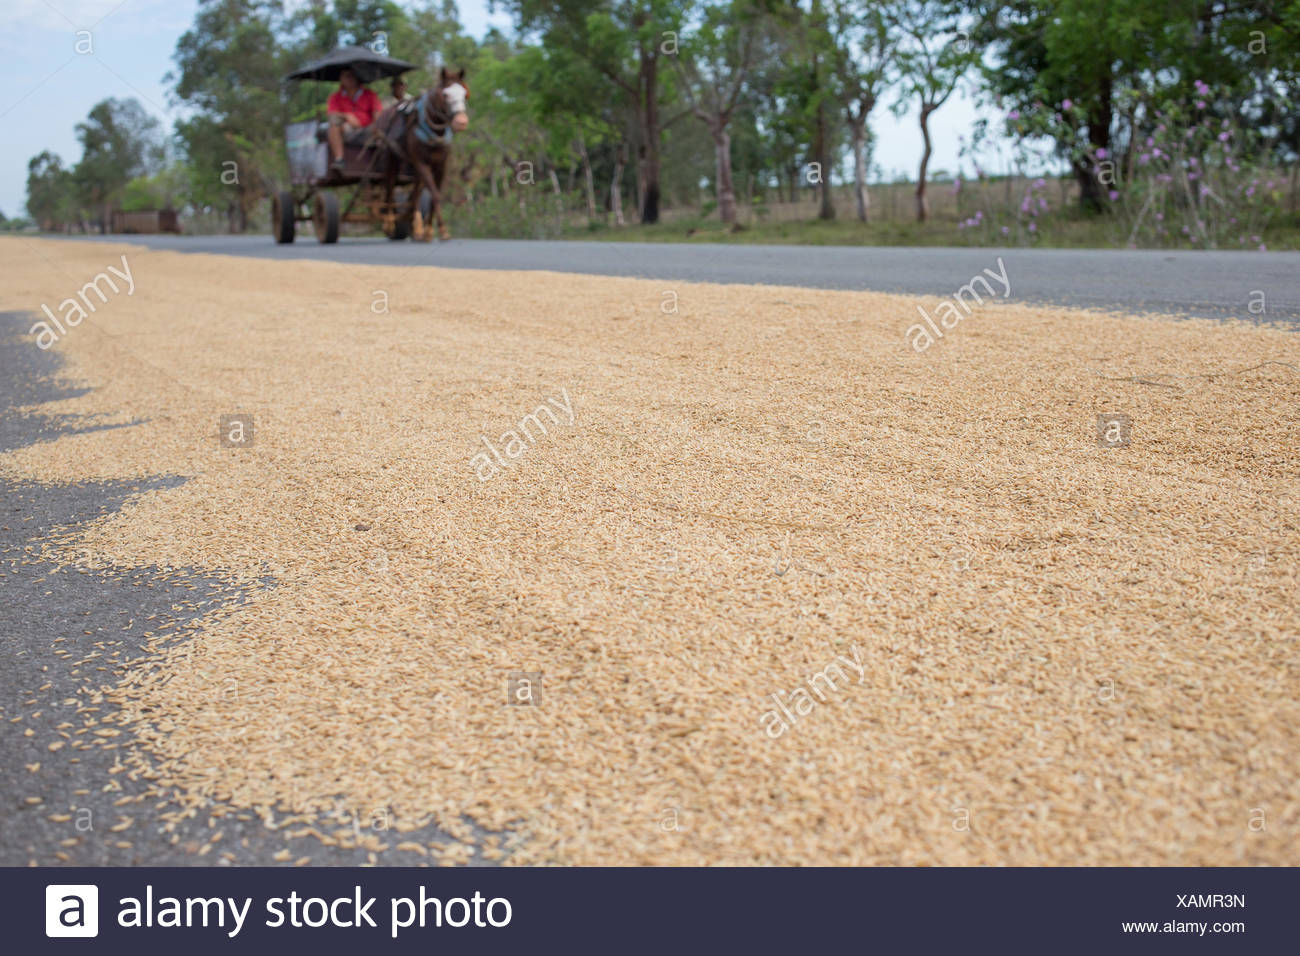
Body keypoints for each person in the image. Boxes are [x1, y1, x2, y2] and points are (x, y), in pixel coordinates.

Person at [326, 67, 382, 173]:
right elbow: (331, 115)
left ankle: (382, 160)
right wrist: (347, 116)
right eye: (346, 76)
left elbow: (377, 115)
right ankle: (339, 160)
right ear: (341, 79)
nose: (350, 79)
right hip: (347, 131)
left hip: (368, 131)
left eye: (352, 76)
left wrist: (376, 127)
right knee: (334, 125)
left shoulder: (369, 94)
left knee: (382, 128)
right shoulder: (335, 97)